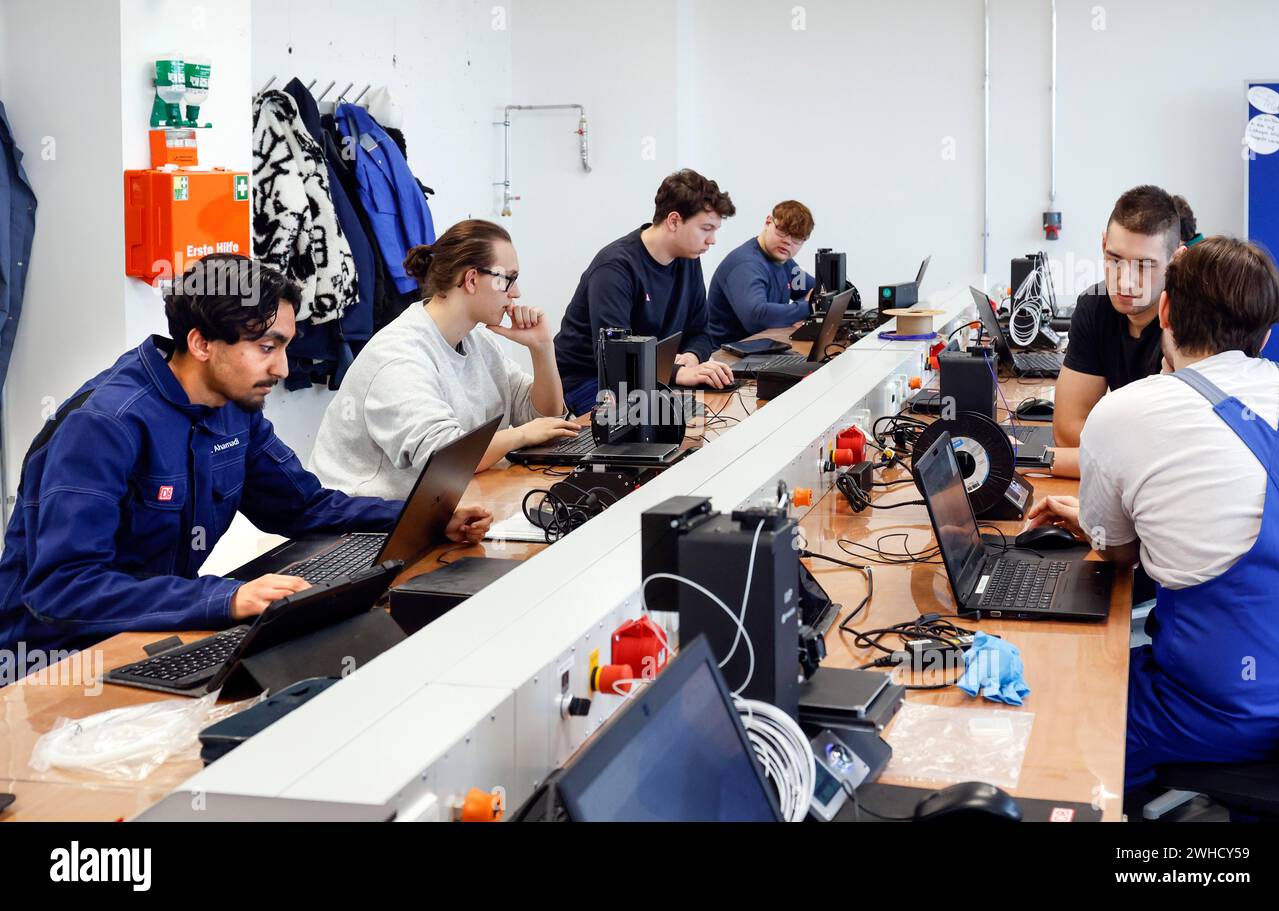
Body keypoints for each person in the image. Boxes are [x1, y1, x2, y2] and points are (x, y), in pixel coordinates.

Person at [0, 255, 491, 659]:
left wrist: (421, 518)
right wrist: (226, 597)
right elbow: (63, 589)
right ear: (200, 343)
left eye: (285, 347)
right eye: (266, 347)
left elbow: (303, 507)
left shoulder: (234, 406)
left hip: (151, 630)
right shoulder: (105, 425)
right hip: (54, 661)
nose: (282, 368)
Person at [1023, 237, 1279, 790]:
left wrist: (1100, 525)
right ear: (1266, 336)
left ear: (1165, 310)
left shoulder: (1128, 410)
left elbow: (1119, 556)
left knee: (1047, 724)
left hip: (1219, 710)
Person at [310, 220, 579, 492]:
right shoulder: (399, 357)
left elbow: (542, 418)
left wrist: (542, 348)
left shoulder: (478, 341)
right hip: (363, 512)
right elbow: (446, 458)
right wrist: (520, 435)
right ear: (471, 279)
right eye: (508, 279)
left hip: (441, 497)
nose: (516, 293)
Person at [554, 169, 738, 414]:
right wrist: (678, 373)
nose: (712, 240)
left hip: (652, 377)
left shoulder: (688, 259)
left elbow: (701, 332)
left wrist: (692, 357)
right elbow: (614, 360)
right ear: (674, 221)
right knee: (666, 425)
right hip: (590, 381)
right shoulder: (615, 268)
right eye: (706, 228)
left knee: (709, 414)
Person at [1050, 186, 1195, 478]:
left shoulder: (1195, 322)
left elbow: (1175, 455)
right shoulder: (1095, 306)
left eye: (1144, 265)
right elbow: (1067, 432)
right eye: (1115, 259)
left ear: (1177, 260)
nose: (1125, 282)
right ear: (1104, 243)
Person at [707, 200, 816, 347]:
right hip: (728, 355)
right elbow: (757, 317)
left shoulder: (785, 263)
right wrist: (806, 308)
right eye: (783, 231)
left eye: (797, 238)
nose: (788, 242)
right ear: (768, 222)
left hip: (762, 347)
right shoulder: (746, 264)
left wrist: (805, 307)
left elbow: (819, 289)